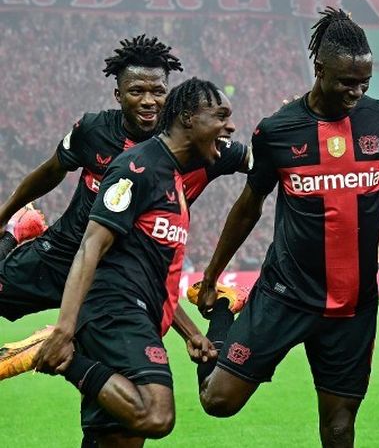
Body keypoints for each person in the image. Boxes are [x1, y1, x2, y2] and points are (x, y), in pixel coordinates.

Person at [191, 7, 379, 448]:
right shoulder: (278, 131)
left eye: (365, 83)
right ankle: (226, 307)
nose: (356, 92)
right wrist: (210, 278)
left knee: (338, 430)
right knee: (218, 401)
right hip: (285, 296)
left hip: (353, 308)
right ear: (319, 70)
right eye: (346, 82)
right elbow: (248, 207)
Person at [0, 35, 251, 376]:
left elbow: (265, 162)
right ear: (119, 95)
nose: (149, 101)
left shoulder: (200, 146)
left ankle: (57, 345)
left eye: (158, 91)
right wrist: (3, 217)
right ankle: (16, 233)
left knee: (126, 397)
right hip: (65, 253)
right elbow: (50, 171)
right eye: (137, 91)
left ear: (170, 93)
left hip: (121, 274)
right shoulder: (94, 130)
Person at [32, 78, 236, 446]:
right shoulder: (137, 167)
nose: (230, 126)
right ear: (188, 118)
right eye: (220, 115)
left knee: (117, 440)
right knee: (156, 414)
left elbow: (151, 274)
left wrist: (191, 333)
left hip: (134, 313)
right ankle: (65, 358)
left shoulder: (172, 176)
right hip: (115, 313)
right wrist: (64, 330)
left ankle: (71, 357)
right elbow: (90, 247)